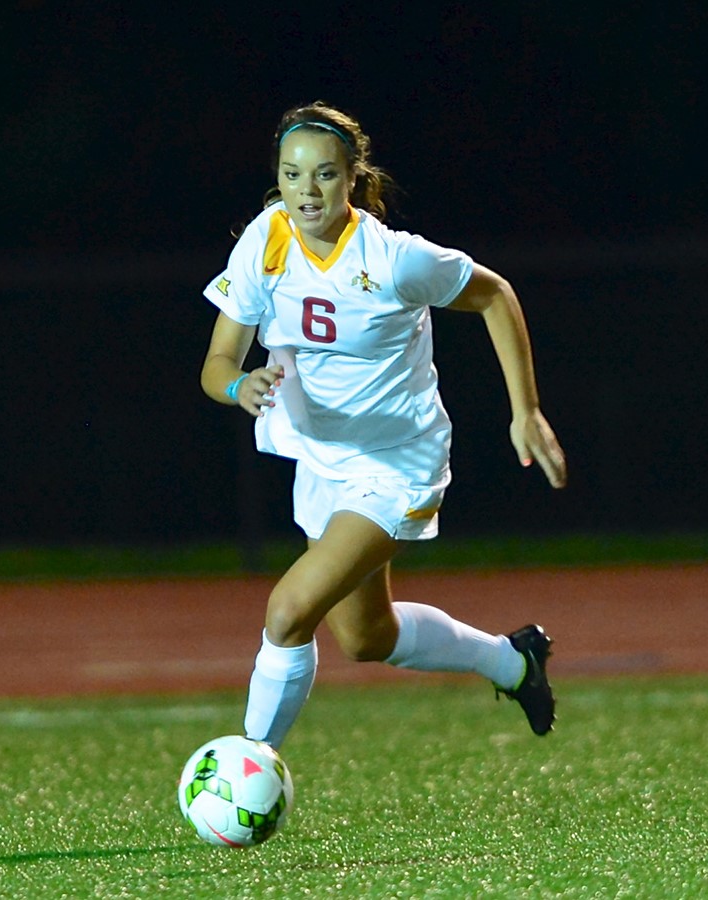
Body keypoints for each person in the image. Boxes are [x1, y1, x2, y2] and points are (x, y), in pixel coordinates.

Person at [199, 101, 569, 750]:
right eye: (291, 174)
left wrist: (526, 409)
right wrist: (238, 385)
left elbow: (493, 294)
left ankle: (249, 766)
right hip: (321, 460)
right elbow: (216, 364)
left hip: (396, 465)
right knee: (369, 639)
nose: (306, 191)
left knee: (288, 612)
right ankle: (513, 663)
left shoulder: (395, 260)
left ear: (351, 177)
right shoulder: (266, 240)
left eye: (323, 174)